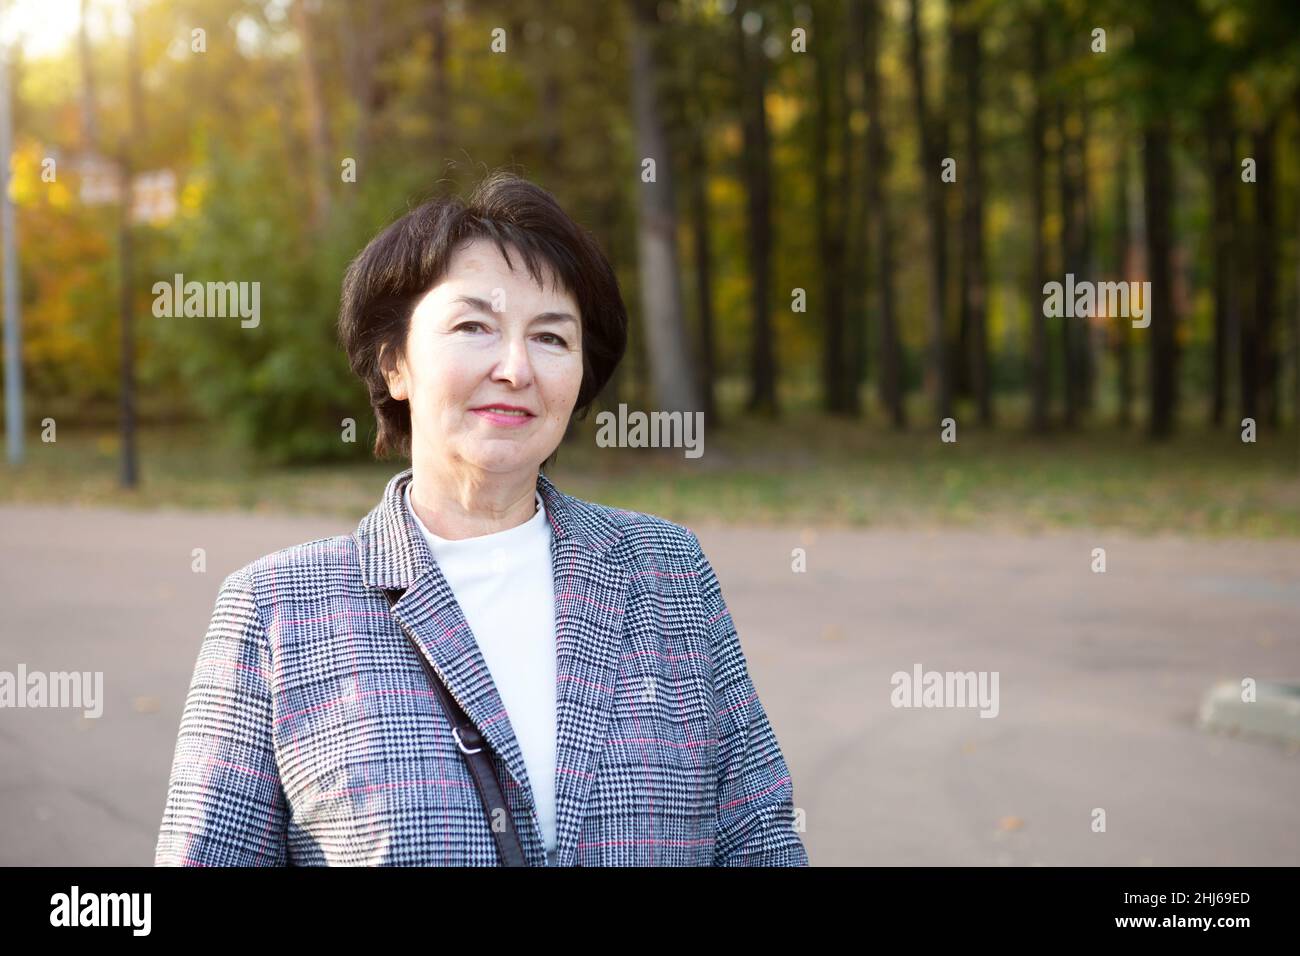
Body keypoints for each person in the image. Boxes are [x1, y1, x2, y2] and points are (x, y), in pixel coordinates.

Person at [154, 170, 809, 866]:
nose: (515, 367)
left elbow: (758, 838)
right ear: (396, 365)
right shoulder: (276, 611)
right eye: (474, 326)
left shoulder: (668, 572)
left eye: (552, 338)